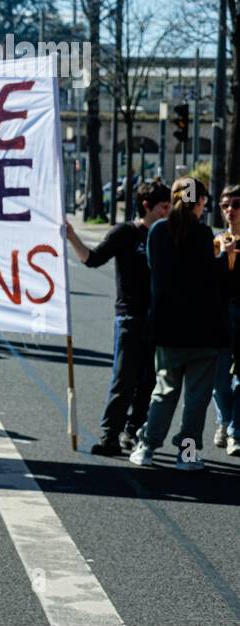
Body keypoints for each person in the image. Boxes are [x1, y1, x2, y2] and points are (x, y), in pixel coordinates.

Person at [65, 179, 171, 455]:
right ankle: (110, 435)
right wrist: (72, 236)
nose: (168, 211)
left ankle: (133, 430)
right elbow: (92, 259)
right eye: (163, 207)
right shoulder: (124, 233)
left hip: (159, 320)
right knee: (124, 378)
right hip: (129, 317)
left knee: (149, 380)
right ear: (146, 206)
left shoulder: (168, 235)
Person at [130, 176, 229, 470]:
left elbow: (155, 273)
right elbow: (213, 278)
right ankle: (186, 454)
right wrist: (225, 256)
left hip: (169, 327)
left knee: (165, 391)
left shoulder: (160, 231)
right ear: (199, 202)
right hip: (205, 330)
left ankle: (147, 447)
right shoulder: (203, 234)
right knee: (196, 400)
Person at [211, 184, 240, 456]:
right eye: (225, 205)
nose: (230, 210)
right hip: (220, 316)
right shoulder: (216, 242)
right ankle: (225, 420)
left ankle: (235, 430)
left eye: (236, 204)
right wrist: (225, 257)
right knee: (218, 376)